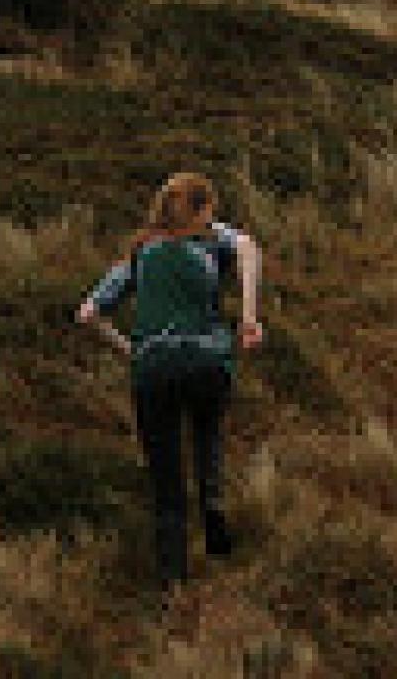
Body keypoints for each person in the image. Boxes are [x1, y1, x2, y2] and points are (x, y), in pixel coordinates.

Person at [75, 172, 264, 587]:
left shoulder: (138, 254)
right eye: (211, 212)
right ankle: (214, 518)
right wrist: (249, 318)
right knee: (208, 434)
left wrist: (131, 350)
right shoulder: (211, 245)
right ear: (199, 212)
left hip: (153, 369)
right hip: (208, 361)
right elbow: (248, 247)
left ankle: (172, 577)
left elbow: (88, 313)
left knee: (165, 473)